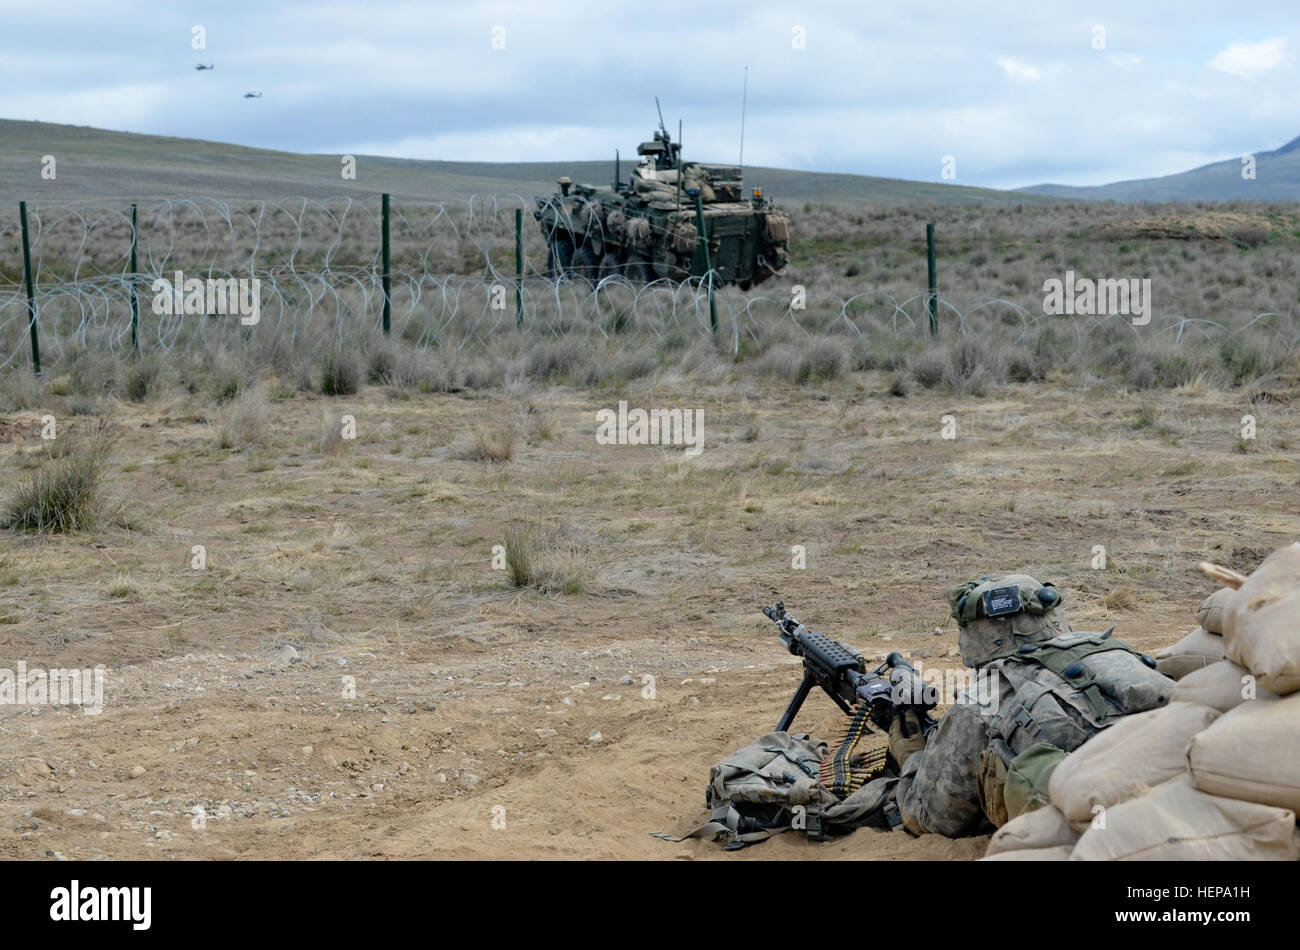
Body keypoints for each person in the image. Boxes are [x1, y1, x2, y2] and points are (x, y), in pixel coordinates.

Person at [889, 573, 1173, 837]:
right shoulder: (1118, 654)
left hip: (1102, 832)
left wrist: (911, 757)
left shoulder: (979, 703)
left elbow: (934, 818)